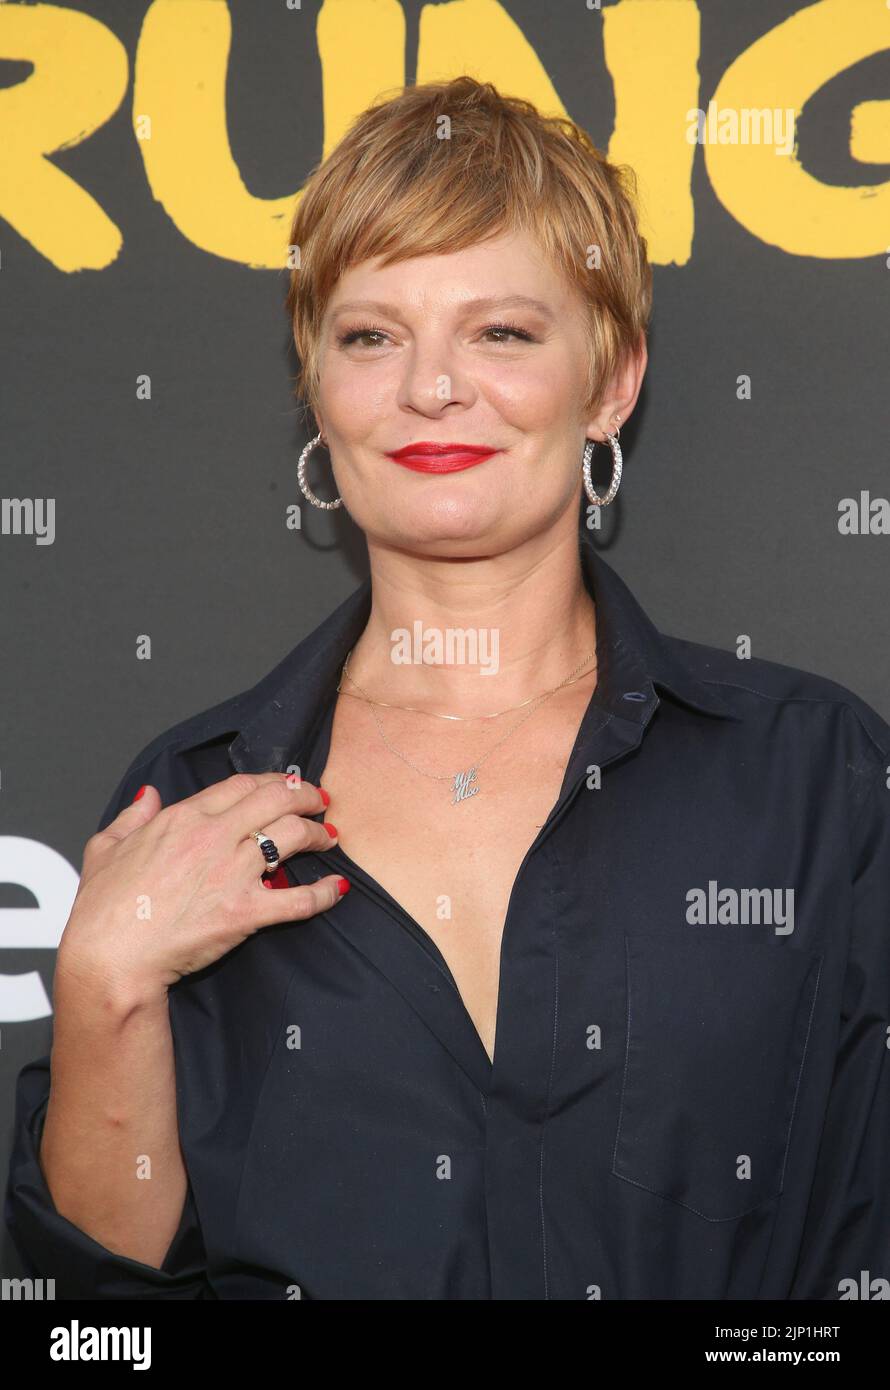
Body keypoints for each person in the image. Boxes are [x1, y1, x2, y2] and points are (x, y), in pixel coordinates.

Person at [6, 76, 889, 1301]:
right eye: (371, 335)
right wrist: (102, 984)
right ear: (317, 383)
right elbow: (106, 1314)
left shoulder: (811, 777)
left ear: (611, 380)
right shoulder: (192, 800)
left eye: (502, 332)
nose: (431, 388)